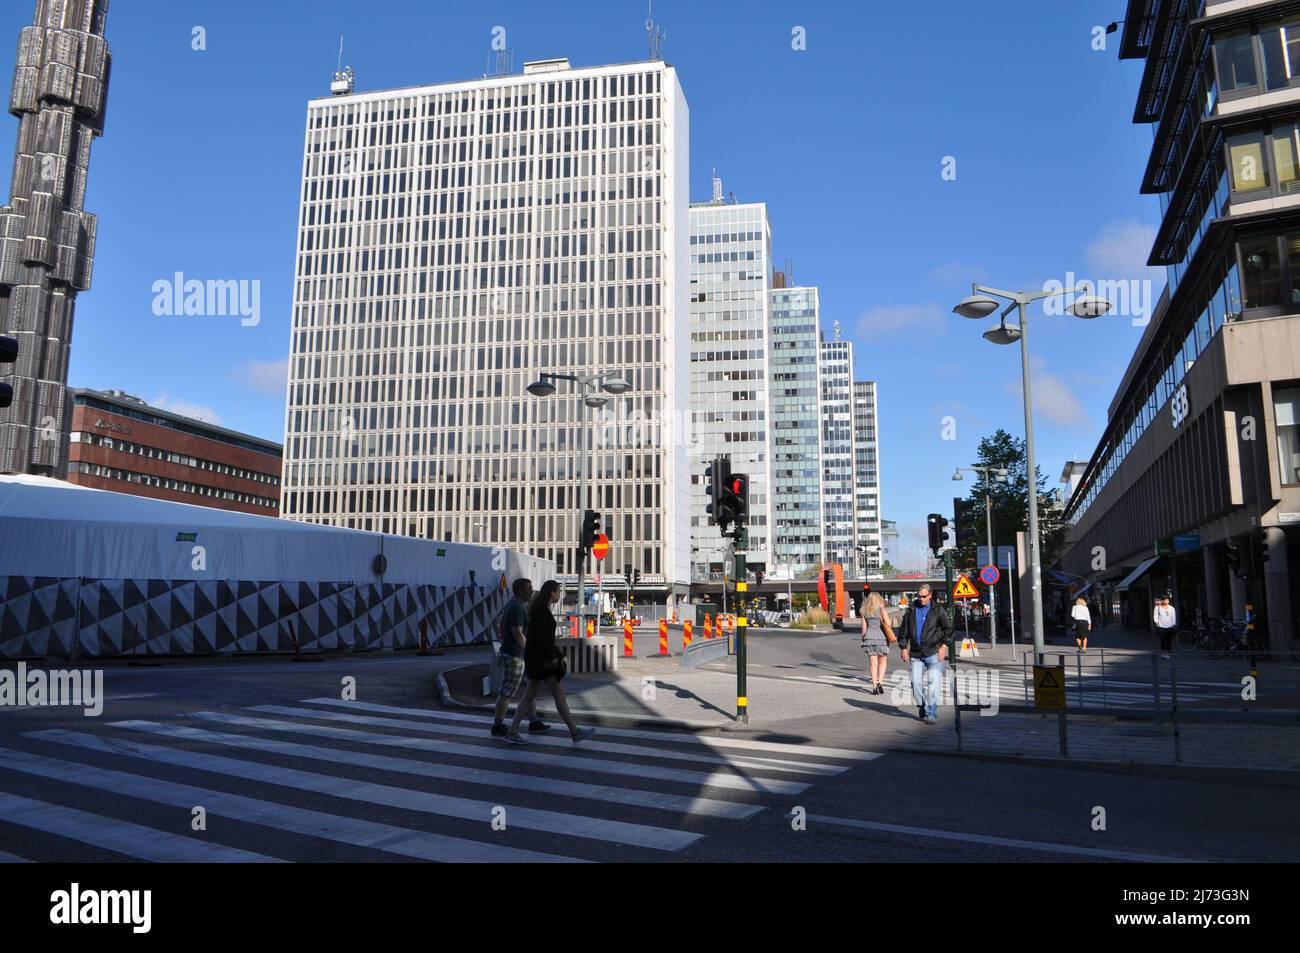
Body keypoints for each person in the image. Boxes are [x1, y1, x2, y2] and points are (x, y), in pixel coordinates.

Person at [507, 580, 595, 745]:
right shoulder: (542, 612)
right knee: (557, 696)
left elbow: (540, 639)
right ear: (552, 593)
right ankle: (574, 732)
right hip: (542, 662)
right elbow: (544, 640)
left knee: (530, 696)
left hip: (536, 660)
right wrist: (556, 656)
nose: (559, 594)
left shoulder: (539, 610)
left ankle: (512, 731)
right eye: (558, 591)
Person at [490, 578, 550, 739]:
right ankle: (498, 725)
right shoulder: (517, 608)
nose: (532, 591)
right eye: (529, 589)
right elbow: (518, 634)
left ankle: (533, 721)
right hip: (515, 655)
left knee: (529, 690)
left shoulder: (514, 606)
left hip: (516, 654)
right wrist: (530, 651)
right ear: (520, 591)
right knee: (507, 691)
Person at [897, 584, 953, 724]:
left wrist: (944, 646)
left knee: (933, 683)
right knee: (915, 682)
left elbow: (949, 629)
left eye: (924, 596)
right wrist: (903, 647)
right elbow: (903, 631)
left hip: (934, 653)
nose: (921, 599)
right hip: (916, 654)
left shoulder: (938, 610)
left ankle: (931, 713)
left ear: (930, 595)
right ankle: (922, 704)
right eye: (919, 596)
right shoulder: (911, 610)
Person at [860, 592, 896, 695]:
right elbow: (888, 624)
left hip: (869, 638)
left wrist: (864, 640)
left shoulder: (864, 611)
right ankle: (880, 682)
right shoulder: (881, 610)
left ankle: (874, 686)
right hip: (881, 638)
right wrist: (883, 609)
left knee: (873, 664)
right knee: (883, 661)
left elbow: (863, 630)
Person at [1153, 594, 1177, 659]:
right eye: (1166, 600)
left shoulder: (1172, 608)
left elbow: (1173, 617)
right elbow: (1155, 616)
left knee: (1169, 641)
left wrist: (1173, 624)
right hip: (1161, 627)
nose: (1167, 601)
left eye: (1168, 600)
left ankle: (1168, 654)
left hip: (1170, 627)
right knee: (1162, 641)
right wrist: (1157, 623)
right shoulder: (1157, 607)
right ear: (1162, 601)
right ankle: (1163, 653)